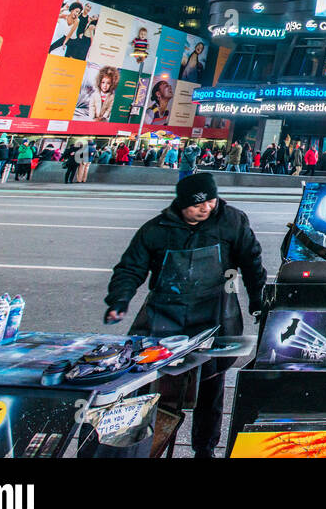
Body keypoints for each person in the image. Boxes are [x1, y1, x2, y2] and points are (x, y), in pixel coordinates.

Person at [103, 173, 267, 458]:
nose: (206, 208)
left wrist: (258, 300)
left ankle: (204, 450)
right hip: (164, 316)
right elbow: (130, 268)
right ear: (181, 205)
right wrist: (119, 300)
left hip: (214, 317)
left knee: (210, 388)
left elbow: (252, 263)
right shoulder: (156, 229)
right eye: (198, 205)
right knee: (154, 388)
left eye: (211, 201)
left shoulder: (232, 221)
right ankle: (147, 447)